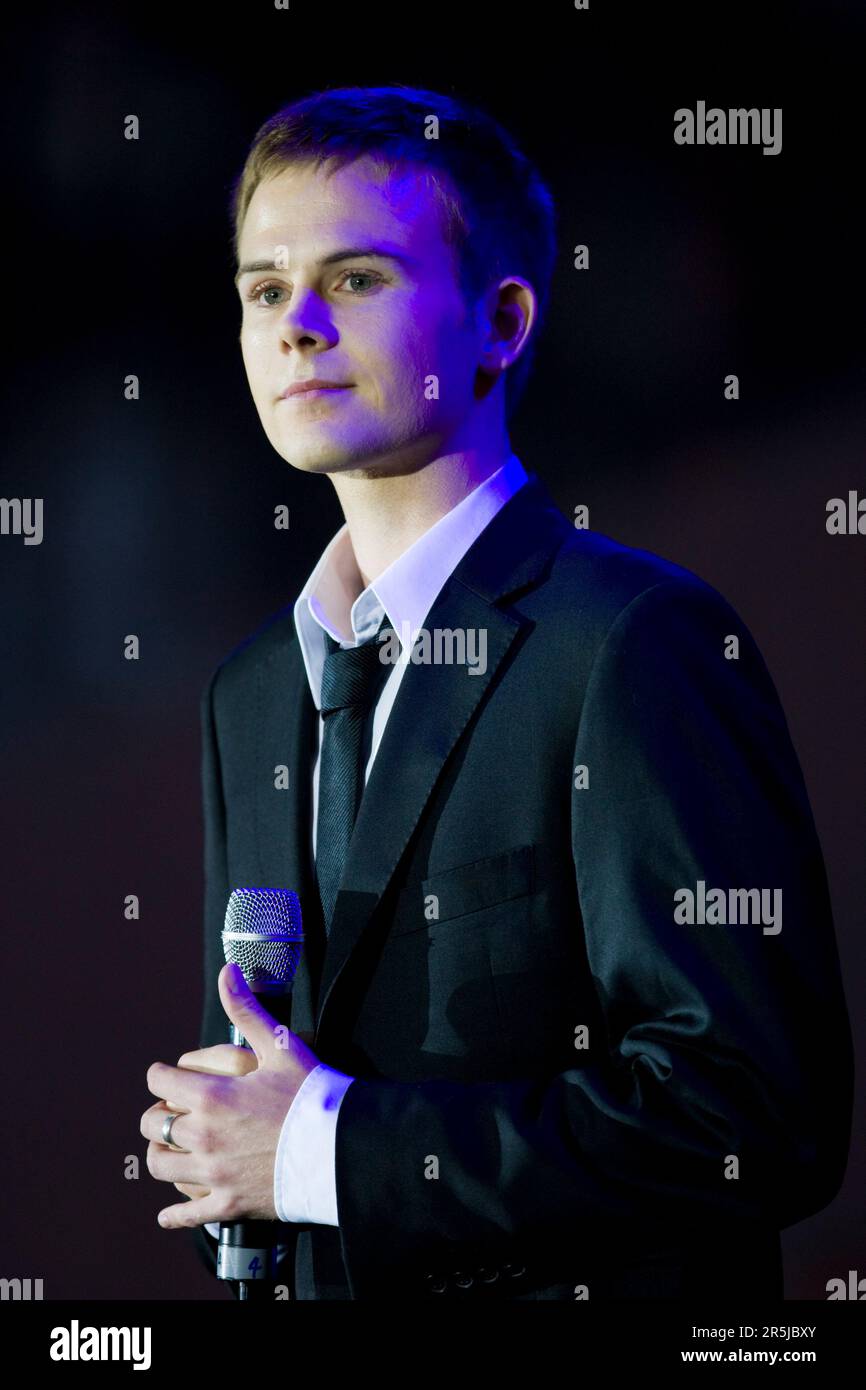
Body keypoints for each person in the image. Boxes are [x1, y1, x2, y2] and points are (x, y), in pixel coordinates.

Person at [139, 84, 854, 1300]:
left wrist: (322, 1151)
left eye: (355, 278)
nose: (295, 324)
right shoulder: (250, 692)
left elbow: (748, 1115)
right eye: (265, 289)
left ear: (501, 319)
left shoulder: (631, 641)